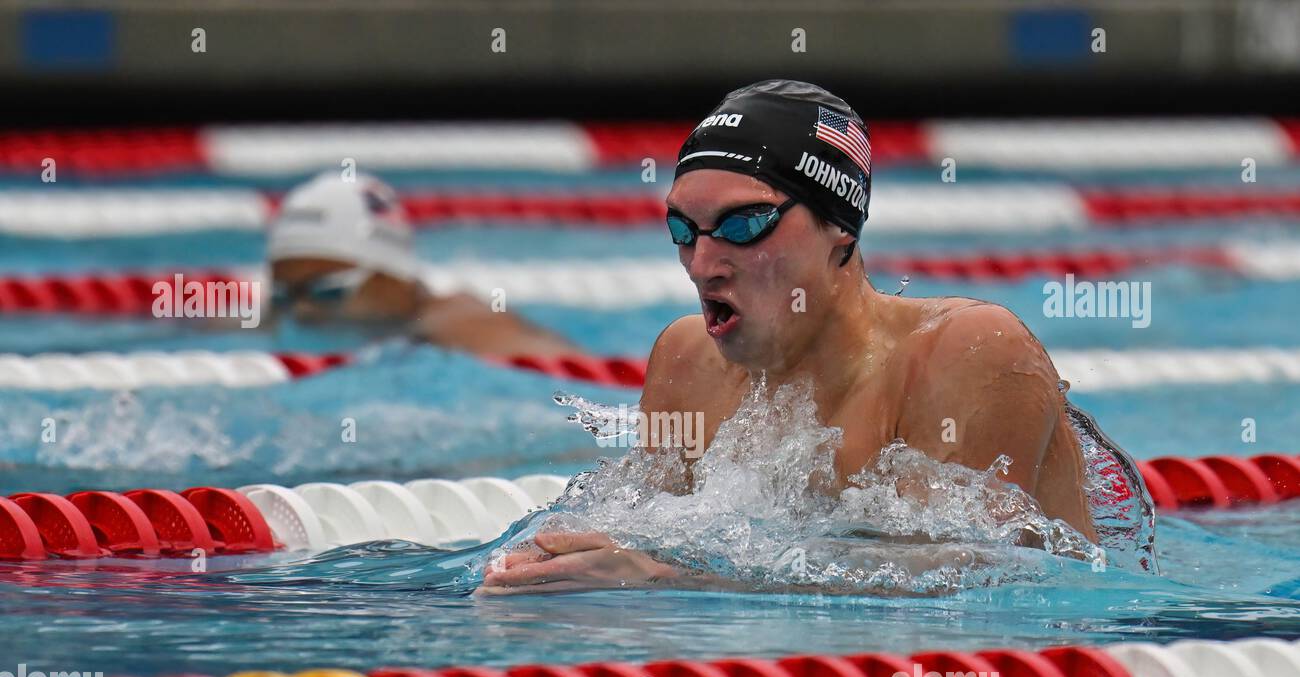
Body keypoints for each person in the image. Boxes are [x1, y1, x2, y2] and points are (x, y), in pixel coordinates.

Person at [480, 79, 1130, 595]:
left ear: (839, 228)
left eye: (744, 225)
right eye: (683, 229)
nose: (704, 262)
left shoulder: (967, 349)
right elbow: (646, 534)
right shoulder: (687, 360)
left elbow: (974, 581)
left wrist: (669, 579)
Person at [266, 171, 582, 357]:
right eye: (285, 295)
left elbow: (584, 389)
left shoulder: (460, 326)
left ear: (393, 275)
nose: (302, 311)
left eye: (327, 291)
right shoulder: (289, 315)